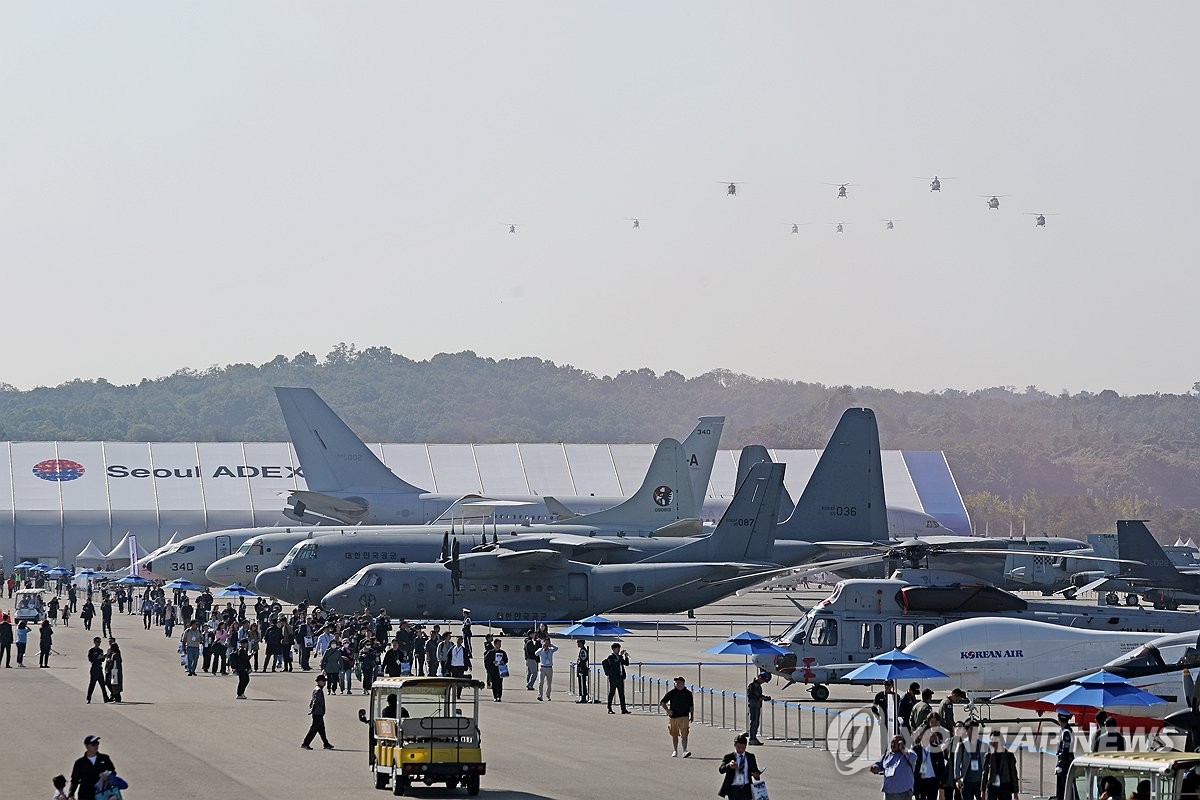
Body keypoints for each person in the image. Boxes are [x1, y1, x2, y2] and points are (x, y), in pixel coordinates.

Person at [67, 735, 116, 800]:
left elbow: (113, 772)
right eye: (93, 744)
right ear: (86, 746)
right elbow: (74, 780)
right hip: (85, 795)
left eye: (97, 743)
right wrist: (71, 795)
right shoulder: (79, 763)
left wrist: (108, 776)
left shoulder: (105, 758)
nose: (96, 746)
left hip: (103, 793)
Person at [870, 735, 917, 800]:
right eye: (892, 742)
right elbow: (879, 764)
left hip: (903, 793)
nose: (893, 744)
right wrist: (875, 768)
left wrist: (903, 749)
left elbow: (913, 757)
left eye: (896, 742)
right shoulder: (887, 754)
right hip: (889, 792)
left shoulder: (907, 753)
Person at [912, 717, 948, 800]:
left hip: (932, 781)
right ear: (920, 736)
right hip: (920, 782)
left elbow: (941, 767)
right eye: (923, 734)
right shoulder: (915, 749)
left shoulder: (936, 749)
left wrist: (941, 783)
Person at [718, 734, 762, 800]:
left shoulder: (750, 757)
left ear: (746, 746)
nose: (740, 750)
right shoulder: (729, 757)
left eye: (743, 748)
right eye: (738, 747)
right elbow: (721, 770)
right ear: (734, 745)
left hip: (746, 788)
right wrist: (729, 765)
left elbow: (755, 771)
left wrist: (756, 775)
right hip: (734, 788)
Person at [660, 676, 694, 758]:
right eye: (676, 683)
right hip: (674, 717)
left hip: (684, 716)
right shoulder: (671, 693)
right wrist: (668, 711)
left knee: (684, 733)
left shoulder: (688, 693)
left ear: (683, 683)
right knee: (674, 734)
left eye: (678, 682)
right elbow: (662, 702)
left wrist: (692, 715)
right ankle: (675, 750)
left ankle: (685, 750)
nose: (677, 684)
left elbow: (691, 706)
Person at [954, 720, 987, 800]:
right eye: (971, 729)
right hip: (966, 782)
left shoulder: (983, 745)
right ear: (966, 731)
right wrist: (958, 779)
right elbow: (957, 764)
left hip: (980, 782)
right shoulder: (962, 746)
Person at [981, 732, 1018, 800]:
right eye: (991, 741)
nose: (993, 743)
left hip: (1005, 786)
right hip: (992, 787)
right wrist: (983, 791)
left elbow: (1013, 774)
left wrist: (1015, 792)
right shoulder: (988, 756)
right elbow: (985, 774)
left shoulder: (1009, 756)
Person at [301, 674, 335, 749]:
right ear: (319, 682)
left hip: (319, 712)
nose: (325, 683)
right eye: (323, 681)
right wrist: (312, 710)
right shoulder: (318, 690)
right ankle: (305, 743)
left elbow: (312, 700)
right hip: (317, 713)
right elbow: (315, 701)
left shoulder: (317, 689)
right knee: (314, 729)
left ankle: (326, 743)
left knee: (321, 729)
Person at [602, 642, 630, 714]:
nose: (618, 650)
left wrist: (626, 657)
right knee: (612, 693)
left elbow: (626, 663)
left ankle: (623, 709)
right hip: (613, 678)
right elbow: (614, 665)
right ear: (613, 649)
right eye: (617, 649)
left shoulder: (619, 657)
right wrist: (620, 656)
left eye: (619, 648)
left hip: (620, 677)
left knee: (621, 694)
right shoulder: (611, 657)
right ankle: (609, 708)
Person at [746, 672, 772, 746]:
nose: (763, 682)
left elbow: (759, 695)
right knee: (754, 722)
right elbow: (751, 696)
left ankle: (754, 738)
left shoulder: (758, 686)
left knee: (756, 722)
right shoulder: (752, 686)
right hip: (753, 706)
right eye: (763, 680)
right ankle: (752, 739)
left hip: (757, 705)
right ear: (760, 678)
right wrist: (759, 698)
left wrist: (765, 697)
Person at [1055, 710, 1075, 800]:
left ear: (1060, 719)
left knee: (1063, 790)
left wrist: (1061, 764)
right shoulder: (1065, 730)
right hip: (1065, 762)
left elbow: (1065, 749)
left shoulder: (1066, 731)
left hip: (1065, 764)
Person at [86, 637, 110, 704]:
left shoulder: (100, 650)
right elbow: (90, 659)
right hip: (94, 669)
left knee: (102, 685)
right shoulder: (91, 650)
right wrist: (97, 658)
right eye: (97, 641)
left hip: (99, 669)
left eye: (99, 642)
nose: (98, 643)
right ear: (94, 642)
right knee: (92, 685)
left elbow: (102, 660)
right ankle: (88, 698)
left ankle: (106, 698)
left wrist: (103, 657)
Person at [105, 639, 123, 703]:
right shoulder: (113, 652)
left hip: (114, 671)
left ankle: (115, 696)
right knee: (112, 683)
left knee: (113, 684)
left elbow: (114, 663)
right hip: (114, 670)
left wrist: (109, 661)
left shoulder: (115, 654)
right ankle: (115, 695)